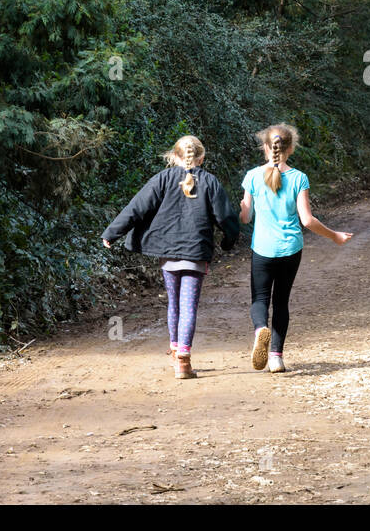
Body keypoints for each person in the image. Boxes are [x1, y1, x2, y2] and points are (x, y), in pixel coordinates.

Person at [102, 135, 239, 379]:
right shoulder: (210, 182)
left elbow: (137, 207)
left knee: (174, 303)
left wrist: (112, 233)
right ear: (202, 157)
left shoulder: (162, 179)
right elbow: (226, 218)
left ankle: (176, 350)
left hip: (168, 255)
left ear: (174, 156)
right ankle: (184, 360)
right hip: (196, 254)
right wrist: (229, 241)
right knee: (188, 306)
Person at [240, 123, 353, 373]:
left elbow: (245, 217)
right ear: (290, 148)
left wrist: (242, 208)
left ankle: (261, 330)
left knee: (260, 298)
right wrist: (334, 236)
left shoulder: (252, 176)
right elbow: (307, 220)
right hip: (290, 248)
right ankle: (276, 358)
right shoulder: (298, 178)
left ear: (265, 147)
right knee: (281, 302)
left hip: (263, 248)